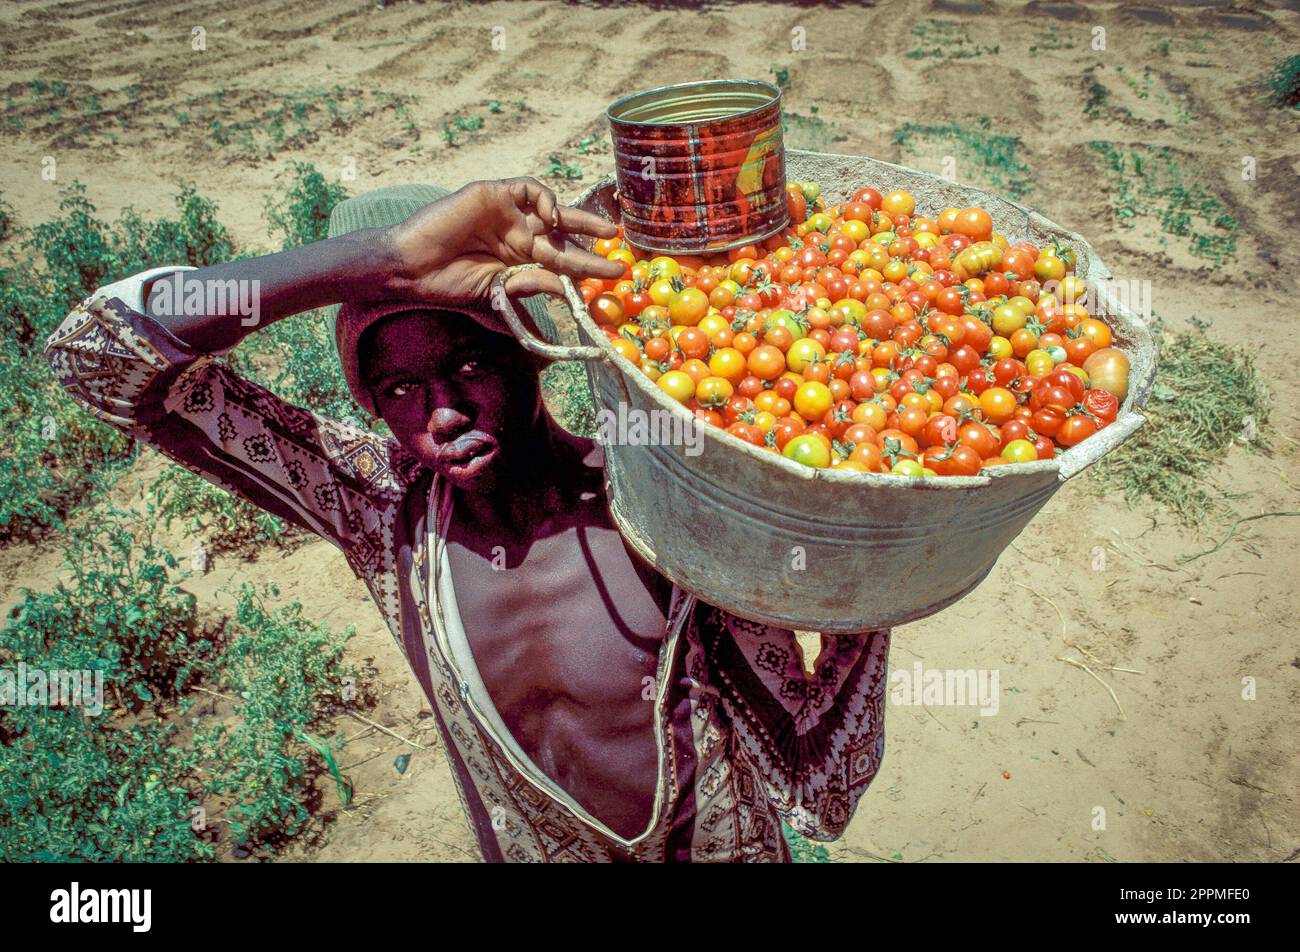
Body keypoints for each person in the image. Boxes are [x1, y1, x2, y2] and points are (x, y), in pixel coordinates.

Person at [45, 177, 891, 862]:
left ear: (532, 352)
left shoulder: (662, 506)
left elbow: (817, 789)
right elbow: (97, 356)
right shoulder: (382, 508)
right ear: (370, 403)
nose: (443, 411)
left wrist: (867, 578)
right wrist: (378, 264)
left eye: (472, 364)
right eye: (401, 390)